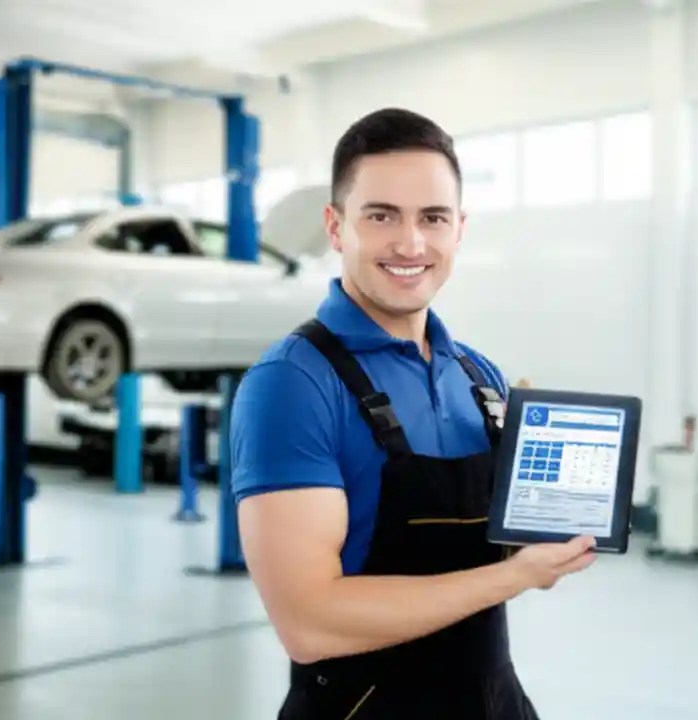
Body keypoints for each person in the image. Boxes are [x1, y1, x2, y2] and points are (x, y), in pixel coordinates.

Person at [230, 107, 598, 720]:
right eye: (381, 216)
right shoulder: (291, 385)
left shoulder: (478, 377)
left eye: (433, 217)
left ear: (459, 228)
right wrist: (517, 577)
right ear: (336, 226)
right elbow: (309, 622)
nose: (410, 243)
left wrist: (551, 518)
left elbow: (486, 552)